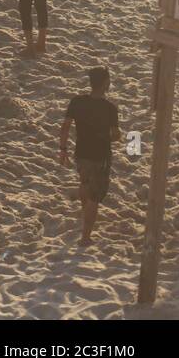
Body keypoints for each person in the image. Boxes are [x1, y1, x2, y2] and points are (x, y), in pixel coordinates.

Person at [60, 67, 119, 245]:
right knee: (95, 195)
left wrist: (63, 149)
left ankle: (86, 215)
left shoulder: (77, 101)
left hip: (81, 152)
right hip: (101, 156)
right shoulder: (110, 108)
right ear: (105, 83)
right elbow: (115, 135)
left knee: (84, 183)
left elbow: (65, 127)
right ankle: (85, 237)